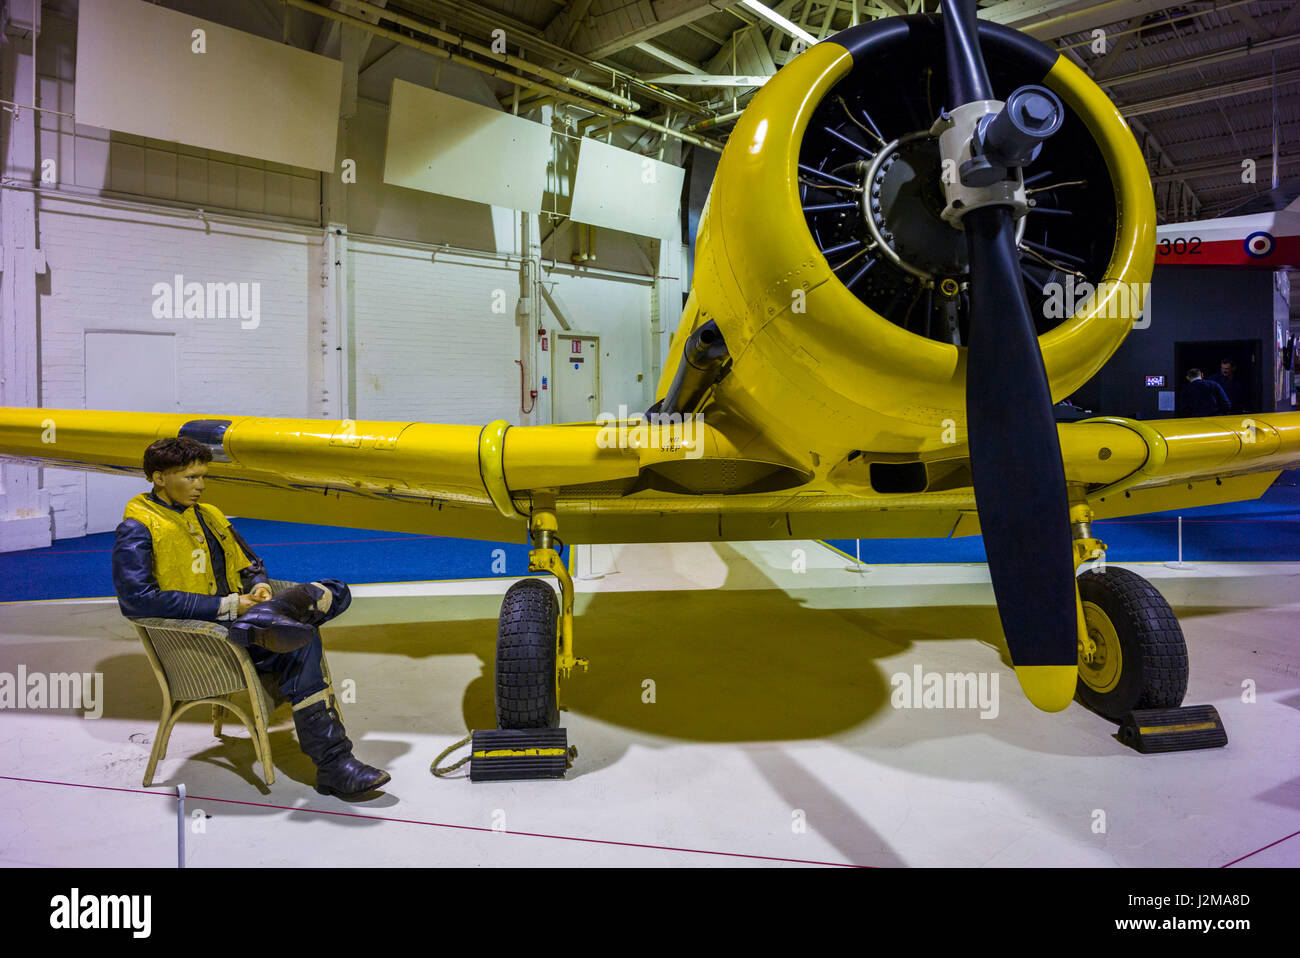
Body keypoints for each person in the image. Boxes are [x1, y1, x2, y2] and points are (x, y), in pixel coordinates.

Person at [112, 436, 389, 798]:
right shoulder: (137, 528)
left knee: (333, 589)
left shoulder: (208, 514)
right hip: (203, 641)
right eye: (190, 477)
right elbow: (138, 600)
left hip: (237, 618)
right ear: (159, 477)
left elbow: (250, 564)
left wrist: (258, 587)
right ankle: (334, 764)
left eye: (202, 477)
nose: (200, 485)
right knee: (304, 641)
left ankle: (270, 619)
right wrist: (227, 606)